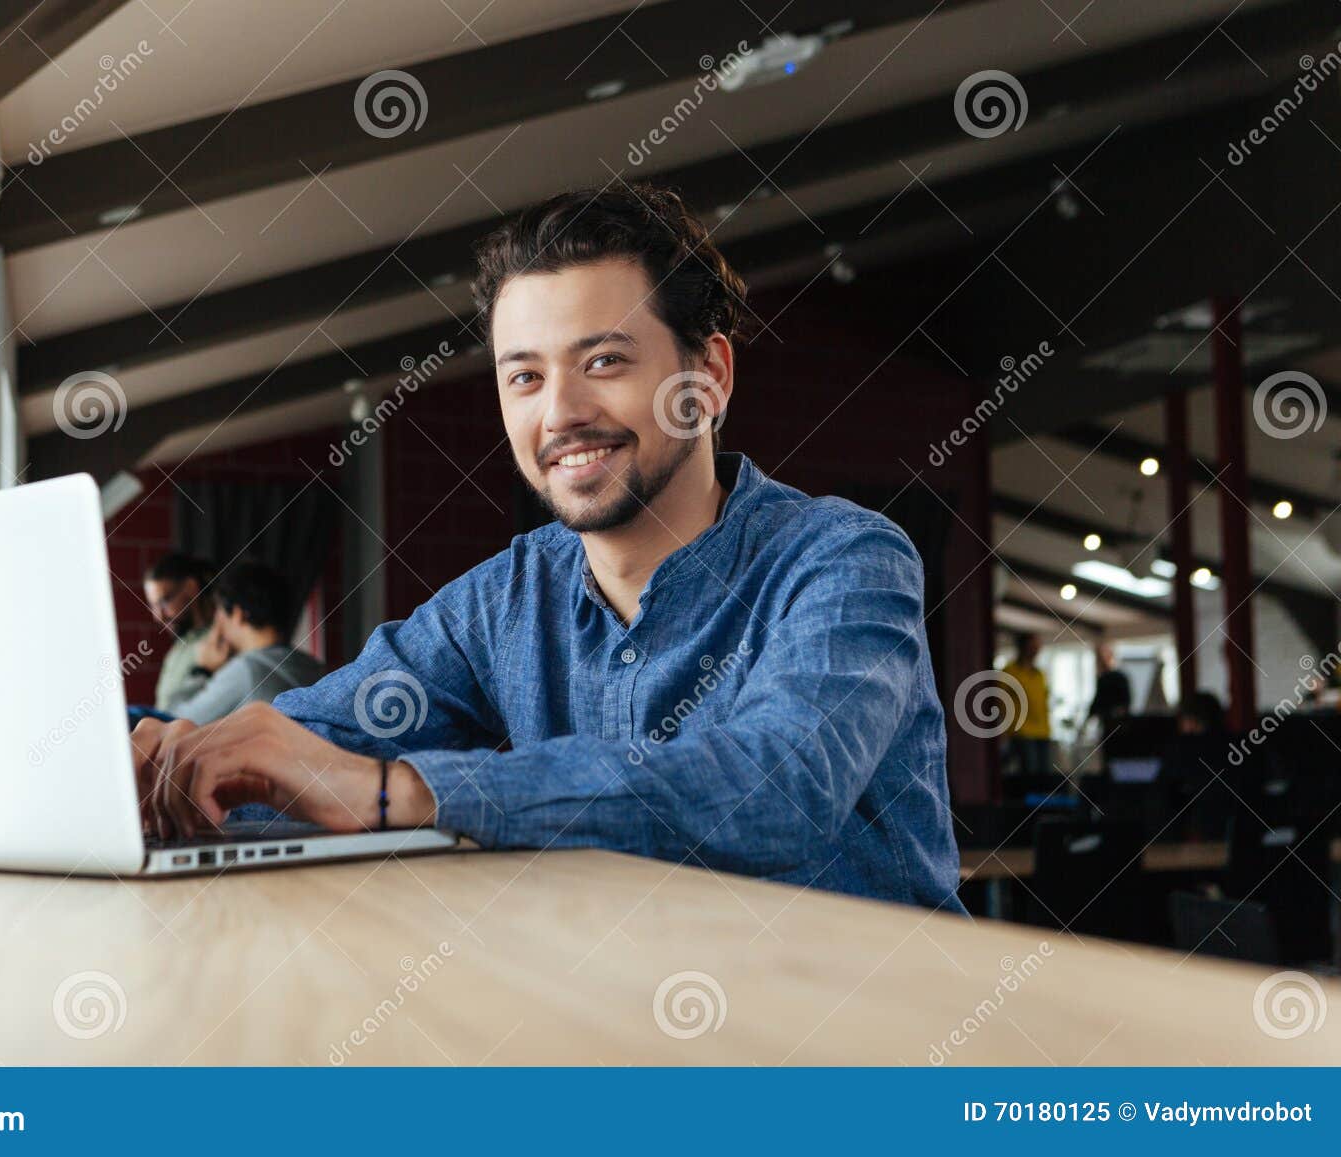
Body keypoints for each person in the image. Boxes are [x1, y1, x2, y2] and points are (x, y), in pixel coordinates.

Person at [131, 182, 963, 913]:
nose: (558, 412)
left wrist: (397, 791)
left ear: (707, 376)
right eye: (524, 376)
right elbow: (303, 745)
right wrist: (142, 753)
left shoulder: (846, 559)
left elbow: (776, 786)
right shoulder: (506, 599)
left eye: (603, 359)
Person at [169, 562, 325, 724]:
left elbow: (173, 722)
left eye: (219, 612)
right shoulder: (315, 667)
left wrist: (201, 670)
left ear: (238, 614)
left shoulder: (246, 670)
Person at [142, 553, 216, 712]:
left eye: (164, 601)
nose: (158, 616)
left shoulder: (218, 642)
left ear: (191, 587)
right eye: (153, 606)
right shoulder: (178, 648)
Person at [1002, 633, 1052, 776]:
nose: (1036, 650)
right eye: (1033, 646)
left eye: (1037, 647)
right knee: (1029, 774)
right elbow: (1000, 704)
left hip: (1043, 732)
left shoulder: (1039, 674)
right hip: (1022, 733)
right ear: (1023, 648)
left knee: (1044, 775)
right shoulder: (1009, 672)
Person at [1086, 641, 1132, 742]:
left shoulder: (1118, 678)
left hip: (1118, 725)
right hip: (1108, 725)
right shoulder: (1103, 678)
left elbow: (1125, 703)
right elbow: (1097, 702)